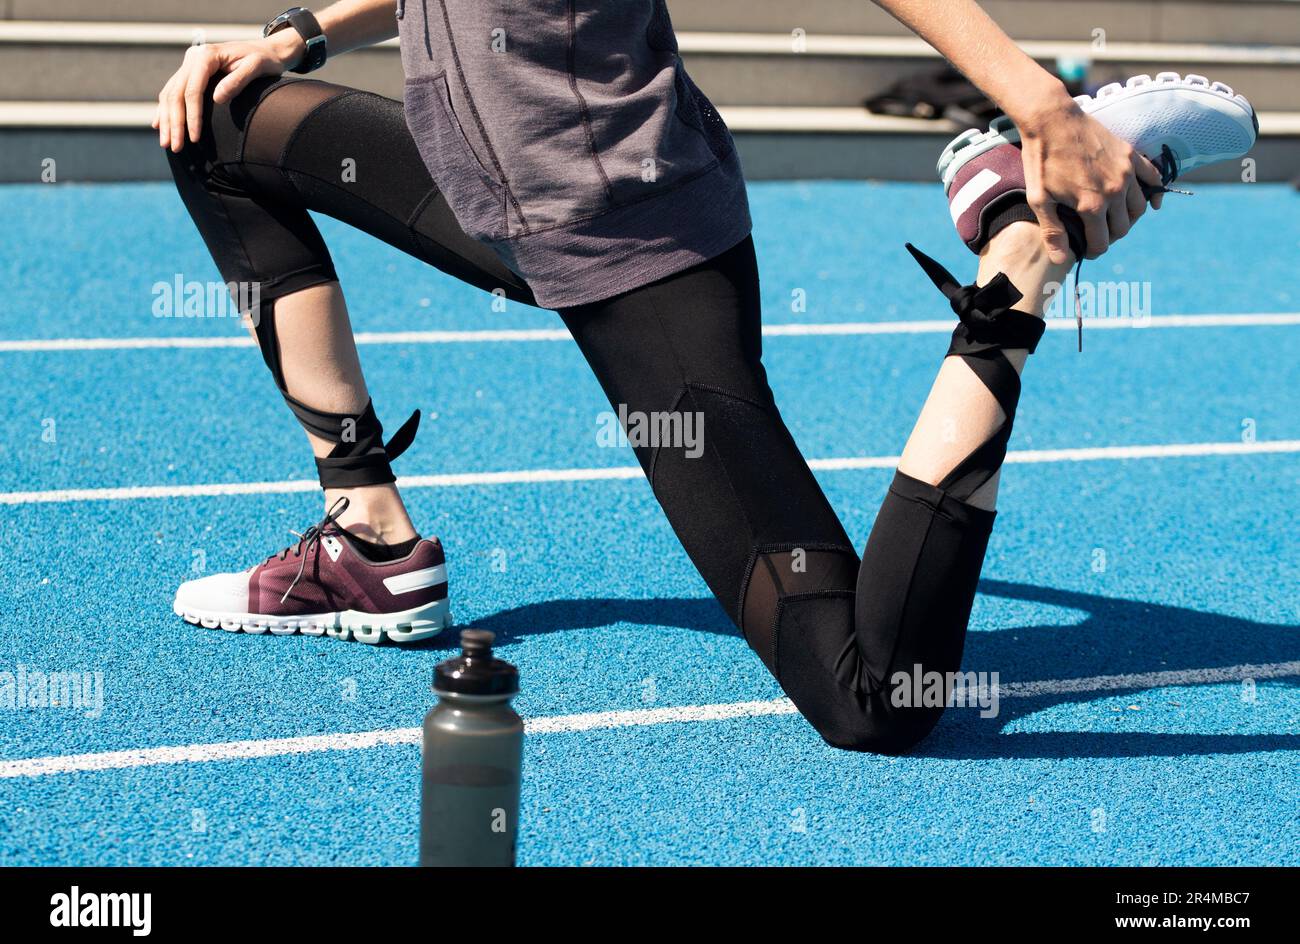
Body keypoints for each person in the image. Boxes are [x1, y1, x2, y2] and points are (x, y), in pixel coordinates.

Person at [162, 0, 1255, 750]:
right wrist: (301, 31)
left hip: (634, 250)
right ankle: (368, 543)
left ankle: (1021, 241)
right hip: (488, 200)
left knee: (872, 699)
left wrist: (1040, 104)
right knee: (210, 121)